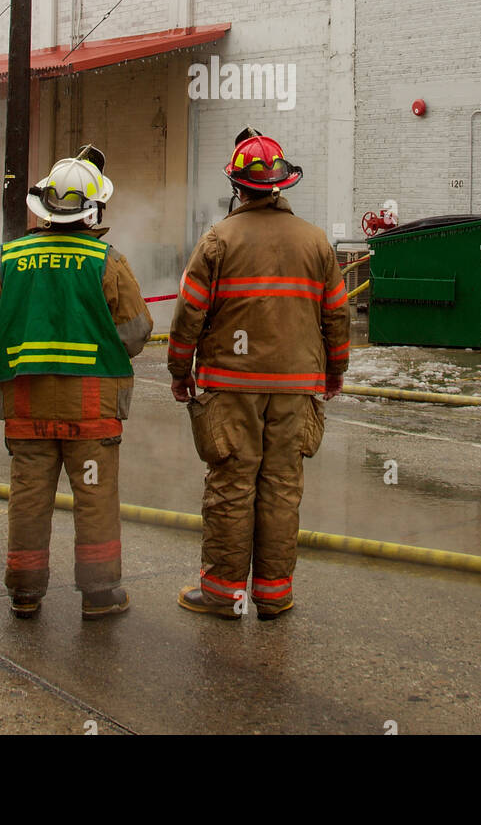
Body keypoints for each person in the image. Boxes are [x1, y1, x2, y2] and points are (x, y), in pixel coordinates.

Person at [167, 128, 351, 620]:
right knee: (281, 486)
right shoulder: (316, 242)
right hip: (297, 387)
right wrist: (335, 371)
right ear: (282, 185)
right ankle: (273, 594)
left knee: (232, 484)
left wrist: (179, 370)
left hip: (230, 386)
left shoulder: (218, 240)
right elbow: (338, 316)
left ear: (237, 186)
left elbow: (189, 313)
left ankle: (224, 595)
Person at [0, 146, 152, 619]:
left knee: (28, 498)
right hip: (91, 411)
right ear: (95, 208)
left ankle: (25, 593)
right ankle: (99, 595)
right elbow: (136, 333)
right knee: (94, 499)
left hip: (27, 409)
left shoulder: (11, 258)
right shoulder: (106, 260)